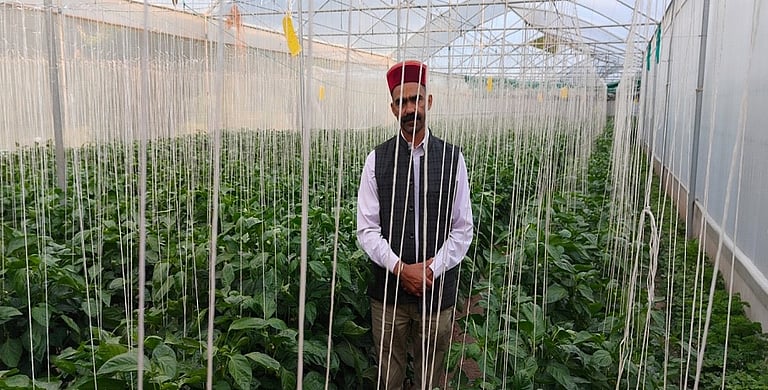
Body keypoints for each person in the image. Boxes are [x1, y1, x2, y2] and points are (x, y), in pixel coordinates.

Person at [356, 60, 473, 389]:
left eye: (416, 99)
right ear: (393, 109)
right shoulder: (376, 160)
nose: (410, 108)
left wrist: (431, 270)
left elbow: (462, 228)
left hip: (437, 295)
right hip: (388, 295)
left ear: (429, 101)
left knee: (430, 376)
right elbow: (367, 229)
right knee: (389, 375)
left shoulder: (453, 158)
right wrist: (400, 269)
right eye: (402, 102)